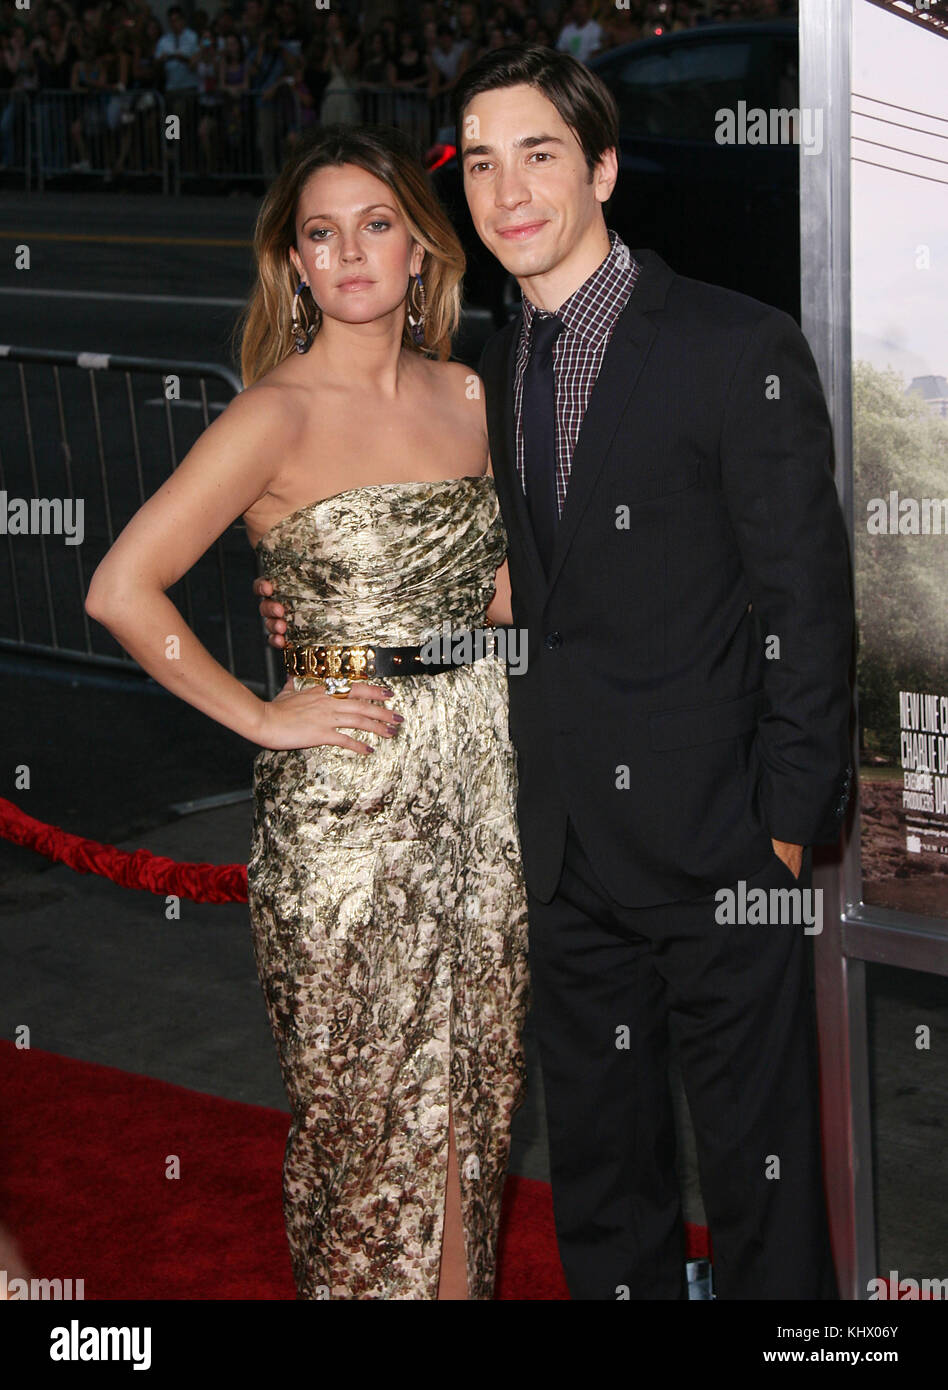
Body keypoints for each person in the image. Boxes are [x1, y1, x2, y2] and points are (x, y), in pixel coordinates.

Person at [257, 43, 857, 1301]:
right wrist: (323, 622)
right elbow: (478, 577)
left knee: (761, 1191)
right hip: (558, 850)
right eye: (481, 161)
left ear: (602, 168)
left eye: (539, 154)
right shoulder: (485, 366)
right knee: (602, 1185)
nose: (508, 188)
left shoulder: (730, 343)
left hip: (722, 850)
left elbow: (809, 607)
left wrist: (788, 833)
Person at [85, 123, 530, 1301]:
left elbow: (503, 595)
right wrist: (263, 716)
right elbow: (122, 589)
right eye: (319, 234)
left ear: (423, 250)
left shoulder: (473, 392)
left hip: (484, 786)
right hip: (349, 796)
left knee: (471, 1101)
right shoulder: (271, 415)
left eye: (376, 224)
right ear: (293, 263)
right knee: (363, 1113)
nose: (348, 253)